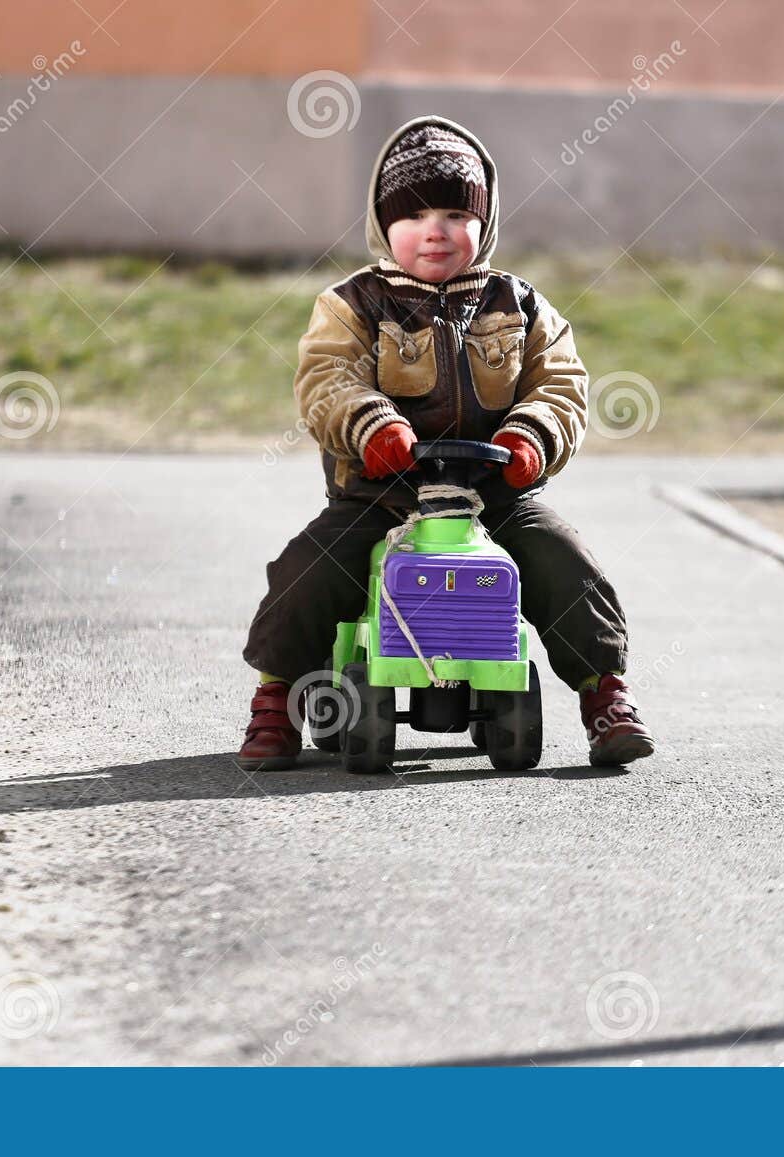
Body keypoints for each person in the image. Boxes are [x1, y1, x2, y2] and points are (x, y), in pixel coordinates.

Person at [238, 115, 654, 771]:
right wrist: (371, 426)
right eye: (414, 215)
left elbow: (562, 384)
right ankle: (274, 698)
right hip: (384, 495)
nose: (436, 229)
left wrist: (531, 437)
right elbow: (326, 378)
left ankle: (604, 693)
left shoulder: (520, 306)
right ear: (382, 224)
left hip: (495, 496)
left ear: (484, 224)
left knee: (562, 557)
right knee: (308, 569)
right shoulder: (352, 305)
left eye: (457, 213)